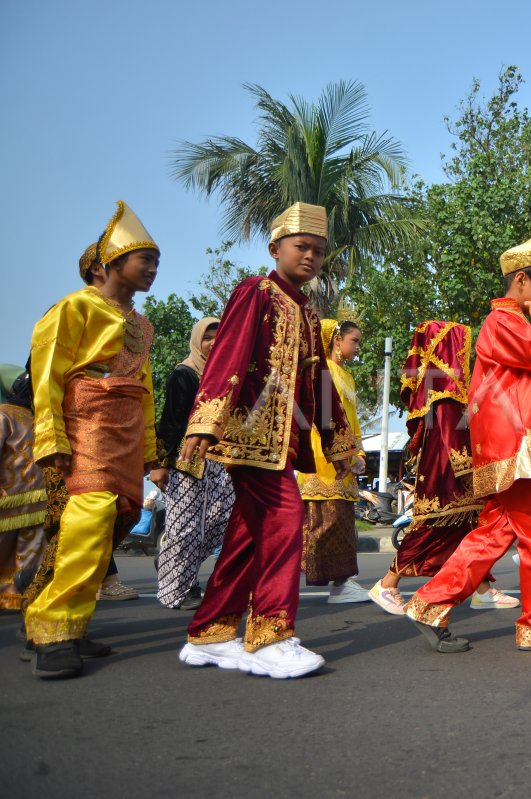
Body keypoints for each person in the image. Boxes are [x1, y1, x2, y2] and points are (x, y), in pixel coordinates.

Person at [176, 202, 356, 679]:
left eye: (319, 251)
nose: (311, 256)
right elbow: (229, 353)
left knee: (247, 535)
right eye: (302, 247)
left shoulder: (309, 314)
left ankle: (210, 632)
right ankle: (270, 635)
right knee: (285, 516)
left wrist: (337, 443)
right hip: (248, 436)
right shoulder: (255, 292)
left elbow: (319, 384)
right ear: (275, 248)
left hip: (282, 444)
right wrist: (205, 420)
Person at [404, 229, 531, 653]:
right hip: (517, 449)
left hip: (513, 450)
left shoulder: (510, 322)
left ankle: (429, 604)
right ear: (521, 280)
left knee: (493, 533)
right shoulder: (502, 321)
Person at [25, 201, 160, 677]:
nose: (153, 269)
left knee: (110, 526)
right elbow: (47, 374)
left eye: (157, 262)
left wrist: (150, 452)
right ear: (111, 263)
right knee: (90, 518)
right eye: (145, 259)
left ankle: (70, 624)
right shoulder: (76, 306)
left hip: (126, 429)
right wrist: (51, 438)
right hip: (87, 422)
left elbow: (144, 389)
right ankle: (53, 631)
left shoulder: (142, 325)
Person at [369, 320, 515, 614]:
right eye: (461, 346)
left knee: (468, 529)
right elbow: (451, 436)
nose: (466, 354)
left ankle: (481, 589)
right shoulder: (445, 393)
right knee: (431, 528)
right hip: (446, 473)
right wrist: (467, 469)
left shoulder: (442, 391)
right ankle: (387, 584)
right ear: (447, 350)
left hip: (449, 471)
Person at [148, 317, 234, 610]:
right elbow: (171, 422)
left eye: (218, 336)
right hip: (186, 463)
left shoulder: (228, 375)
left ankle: (173, 564)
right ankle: (179, 590)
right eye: (207, 337)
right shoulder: (184, 374)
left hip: (220, 464)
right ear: (197, 341)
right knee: (184, 528)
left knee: (222, 522)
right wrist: (160, 464)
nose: (212, 343)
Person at [296, 318, 371, 603]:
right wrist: (340, 452)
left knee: (340, 523)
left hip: (345, 460)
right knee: (320, 524)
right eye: (355, 341)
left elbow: (353, 422)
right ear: (336, 340)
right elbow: (321, 421)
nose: (358, 347)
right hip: (323, 460)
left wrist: (359, 453)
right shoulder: (322, 373)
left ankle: (342, 583)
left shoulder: (347, 377)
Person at [0, 370, 46, 611]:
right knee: (29, 551)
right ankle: (21, 597)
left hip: (8, 497)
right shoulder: (39, 421)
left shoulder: (3, 414)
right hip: (39, 498)